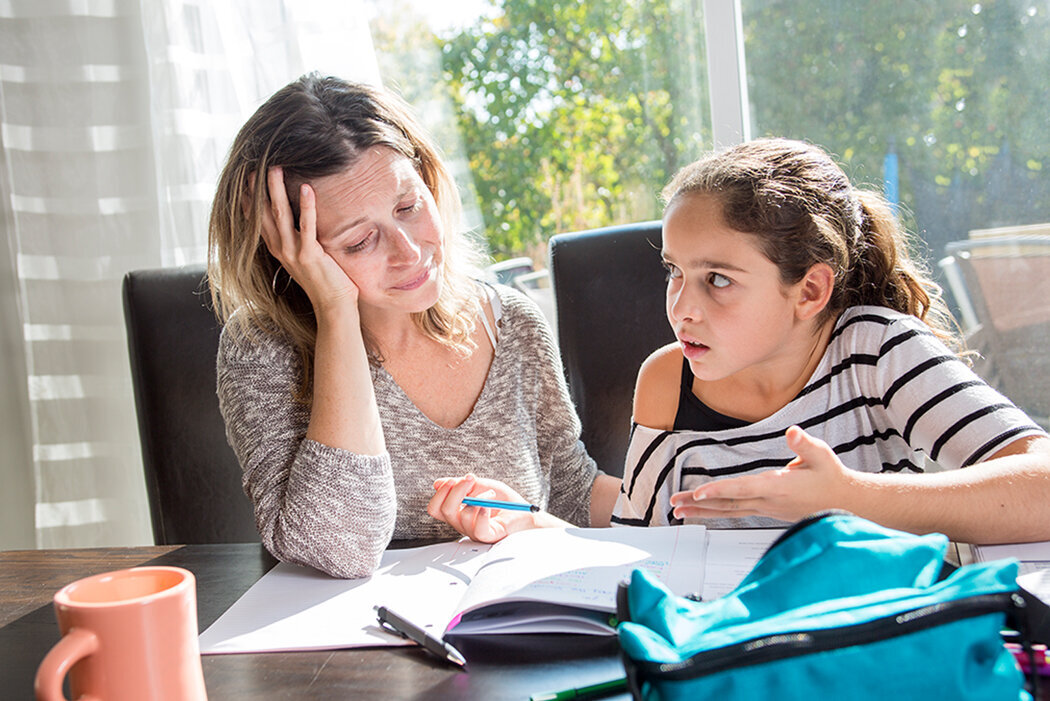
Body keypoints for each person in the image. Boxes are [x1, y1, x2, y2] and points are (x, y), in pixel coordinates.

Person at [208, 73, 620, 578]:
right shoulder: (262, 350)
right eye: (360, 242)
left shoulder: (510, 324)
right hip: (345, 653)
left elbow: (572, 495)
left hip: (502, 634)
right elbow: (338, 549)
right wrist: (336, 313)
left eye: (409, 206)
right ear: (288, 250)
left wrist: (696, 507)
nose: (410, 252)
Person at [612, 137, 1050, 544]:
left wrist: (850, 496)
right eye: (674, 272)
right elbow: (639, 548)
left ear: (810, 291)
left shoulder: (876, 352)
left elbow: (1043, 484)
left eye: (719, 279)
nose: (682, 307)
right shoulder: (667, 382)